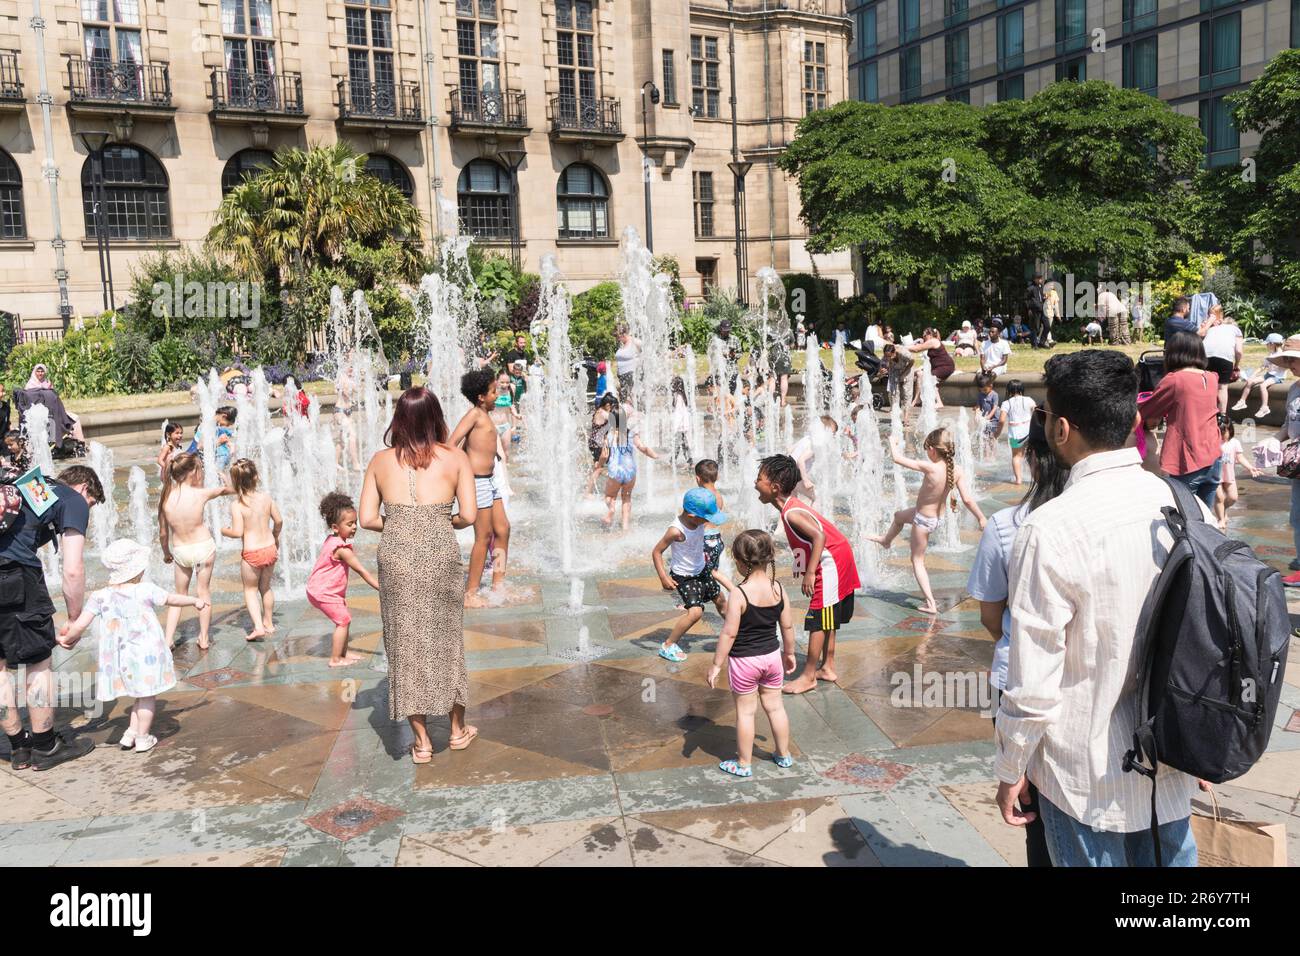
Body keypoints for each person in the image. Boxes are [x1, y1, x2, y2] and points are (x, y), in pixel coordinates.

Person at [995, 349, 1204, 867]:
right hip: (1170, 761)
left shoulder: (1048, 529)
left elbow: (1033, 681)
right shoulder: (1182, 504)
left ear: (1060, 429)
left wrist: (1011, 765)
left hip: (1081, 776)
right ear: (1134, 419)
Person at [966, 407, 1068, 867]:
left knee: (1034, 815)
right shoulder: (1134, 512)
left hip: (1018, 682)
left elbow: (991, 616)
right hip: (1096, 685)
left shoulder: (1006, 526)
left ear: (1030, 456)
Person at [359, 386, 479, 762]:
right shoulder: (455, 458)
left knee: (404, 641)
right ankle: (458, 730)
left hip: (395, 554)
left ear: (399, 419)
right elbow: (470, 517)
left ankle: (422, 742)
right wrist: (440, 521)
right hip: (440, 550)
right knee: (447, 636)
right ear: (436, 417)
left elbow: (365, 519)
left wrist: (401, 524)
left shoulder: (380, 461)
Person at [0, 464, 103, 770]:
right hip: (16, 576)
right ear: (85, 488)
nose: (89, 511)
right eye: (93, 504)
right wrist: (75, 618)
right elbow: (73, 569)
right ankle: (46, 747)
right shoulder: (72, 499)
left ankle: (19, 747)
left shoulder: (26, 488)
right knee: (38, 661)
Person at [56, 539, 201, 754]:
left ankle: (130, 733)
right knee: (147, 698)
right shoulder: (144, 590)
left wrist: (67, 638)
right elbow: (171, 599)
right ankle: (143, 738)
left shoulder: (100, 596)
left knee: (139, 696)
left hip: (122, 659)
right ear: (136, 570)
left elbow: (80, 624)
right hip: (146, 656)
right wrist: (194, 601)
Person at [755, 454, 860, 695]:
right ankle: (828, 667)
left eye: (758, 479)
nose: (754, 483)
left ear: (774, 487)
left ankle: (809, 675)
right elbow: (809, 541)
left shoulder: (791, 512)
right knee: (828, 614)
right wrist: (802, 562)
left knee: (819, 617)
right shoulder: (791, 506)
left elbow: (819, 537)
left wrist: (810, 572)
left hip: (831, 561)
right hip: (838, 555)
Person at [707, 529, 796, 778]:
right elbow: (787, 626)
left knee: (746, 712)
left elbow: (729, 633)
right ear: (770, 558)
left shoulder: (740, 593)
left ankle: (744, 763)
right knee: (775, 708)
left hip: (744, 661)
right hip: (771, 657)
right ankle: (783, 754)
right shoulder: (778, 588)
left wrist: (716, 664)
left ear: (740, 561)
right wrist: (789, 653)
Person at [869, 428, 987, 615]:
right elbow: (968, 500)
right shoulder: (956, 470)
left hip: (923, 521)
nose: (926, 453)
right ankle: (886, 540)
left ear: (932, 449)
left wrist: (892, 442)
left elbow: (897, 459)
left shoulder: (930, 467)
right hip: (931, 517)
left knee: (917, 561)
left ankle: (930, 603)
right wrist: (981, 517)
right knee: (899, 516)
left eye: (927, 449)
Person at [450, 369, 511, 607]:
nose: (497, 395)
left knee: (503, 529)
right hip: (477, 481)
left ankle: (498, 583)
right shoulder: (474, 415)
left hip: (490, 480)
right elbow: (451, 443)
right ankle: (470, 593)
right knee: (484, 536)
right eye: (493, 392)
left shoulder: (484, 415)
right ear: (480, 397)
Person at [1139, 332, 1222, 508]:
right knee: (1205, 520)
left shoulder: (1175, 380)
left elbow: (1146, 412)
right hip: (1214, 458)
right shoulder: (1212, 377)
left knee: (1185, 520)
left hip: (1188, 461)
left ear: (1172, 354)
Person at [159, 452, 231, 651]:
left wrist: (166, 553)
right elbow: (232, 490)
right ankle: (204, 638)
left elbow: (163, 534)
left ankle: (168, 639)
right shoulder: (200, 493)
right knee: (203, 592)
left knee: (178, 595)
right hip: (204, 548)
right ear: (191, 472)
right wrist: (225, 477)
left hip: (181, 550)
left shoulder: (166, 498)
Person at [650, 489, 730, 663]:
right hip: (684, 576)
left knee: (722, 602)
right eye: (705, 517)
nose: (708, 521)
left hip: (701, 570)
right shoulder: (675, 531)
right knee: (695, 613)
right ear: (692, 515)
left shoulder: (698, 521)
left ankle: (738, 632)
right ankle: (668, 645)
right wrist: (663, 577)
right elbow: (657, 552)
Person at [306, 492, 379, 667]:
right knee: (343, 620)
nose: (354, 527)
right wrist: (381, 587)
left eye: (355, 523)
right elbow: (362, 571)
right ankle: (336, 659)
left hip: (323, 590)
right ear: (335, 527)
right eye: (349, 524)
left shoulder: (333, 539)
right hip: (323, 592)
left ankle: (343, 652)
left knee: (344, 618)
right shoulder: (342, 548)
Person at [221, 458, 282, 641]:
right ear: (256, 477)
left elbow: (238, 531)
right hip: (269, 548)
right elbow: (279, 521)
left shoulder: (237, 505)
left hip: (252, 553)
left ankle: (258, 627)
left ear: (235, 482)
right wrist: (275, 537)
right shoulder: (266, 497)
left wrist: (224, 531)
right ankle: (269, 623)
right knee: (266, 587)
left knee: (250, 590)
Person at [602, 399, 658, 530]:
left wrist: (599, 465)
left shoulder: (609, 435)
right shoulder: (632, 433)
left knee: (610, 496)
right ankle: (625, 527)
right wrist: (654, 455)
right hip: (630, 471)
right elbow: (643, 448)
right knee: (626, 499)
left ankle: (610, 511)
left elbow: (604, 455)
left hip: (615, 471)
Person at [1214, 414, 1257, 532]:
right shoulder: (1213, 442)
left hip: (1229, 475)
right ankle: (1220, 519)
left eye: (1224, 432)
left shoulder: (1234, 443)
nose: (1222, 435)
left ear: (1230, 430)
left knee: (1233, 497)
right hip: (1215, 475)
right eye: (1219, 432)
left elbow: (1240, 457)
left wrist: (1250, 467)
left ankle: (1223, 509)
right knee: (1219, 497)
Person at [1233, 332, 1287, 416]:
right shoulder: (1271, 354)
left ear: (1272, 344)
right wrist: (1253, 375)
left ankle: (1264, 407)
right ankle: (1242, 401)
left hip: (1277, 377)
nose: (1266, 346)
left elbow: (1286, 367)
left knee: (1263, 386)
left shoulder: (1282, 355)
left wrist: (1279, 362)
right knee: (1250, 381)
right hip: (1268, 375)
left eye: (1267, 344)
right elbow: (1262, 367)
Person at [1201, 306, 1242, 413]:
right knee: (1222, 388)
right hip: (1224, 357)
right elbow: (1239, 351)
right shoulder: (1235, 330)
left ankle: (1206, 413)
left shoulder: (1211, 329)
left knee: (1208, 386)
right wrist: (1236, 365)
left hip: (1205, 357)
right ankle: (1222, 417)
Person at [998, 380, 1036, 485]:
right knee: (1032, 455)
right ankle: (1035, 477)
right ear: (1022, 390)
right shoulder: (1029, 400)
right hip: (1029, 432)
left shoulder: (1006, 403)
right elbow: (1036, 412)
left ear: (1009, 391)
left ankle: (1018, 480)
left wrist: (997, 433)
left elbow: (1001, 420)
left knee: (1016, 456)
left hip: (1015, 434)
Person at [694, 459, 726, 577]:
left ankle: (722, 591)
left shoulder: (699, 496)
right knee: (712, 571)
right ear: (716, 477)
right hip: (716, 539)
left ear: (697, 478)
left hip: (704, 539)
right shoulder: (718, 496)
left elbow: (695, 521)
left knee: (704, 574)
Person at [909, 327, 954, 408]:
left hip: (945, 367)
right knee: (920, 374)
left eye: (924, 336)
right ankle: (918, 399)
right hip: (938, 367)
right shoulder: (932, 341)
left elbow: (917, 349)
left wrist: (901, 347)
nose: (923, 337)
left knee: (929, 378)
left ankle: (939, 403)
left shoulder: (933, 341)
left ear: (929, 335)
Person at [587, 392, 617, 494]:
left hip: (594, 443)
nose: (613, 408)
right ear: (608, 405)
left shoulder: (598, 411)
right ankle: (588, 492)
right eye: (613, 406)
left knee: (598, 467)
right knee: (599, 469)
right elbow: (617, 420)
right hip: (597, 445)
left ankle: (590, 489)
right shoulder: (603, 413)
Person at [669, 376, 693, 468]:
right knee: (683, 443)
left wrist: (674, 428)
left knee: (677, 444)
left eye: (672, 384)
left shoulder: (678, 397)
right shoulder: (682, 395)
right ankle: (689, 461)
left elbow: (679, 414)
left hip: (680, 426)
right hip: (683, 425)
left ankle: (673, 461)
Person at [614, 324, 642, 399]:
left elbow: (647, 354)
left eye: (617, 336)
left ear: (624, 334)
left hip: (632, 377)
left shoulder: (635, 342)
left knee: (632, 400)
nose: (617, 339)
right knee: (624, 401)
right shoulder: (622, 345)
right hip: (622, 378)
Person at [976, 372, 1000, 439]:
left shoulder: (994, 395)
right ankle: (986, 447)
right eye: (981, 390)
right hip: (985, 418)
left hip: (994, 419)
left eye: (985, 390)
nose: (983, 391)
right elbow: (978, 406)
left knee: (991, 434)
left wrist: (989, 416)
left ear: (991, 386)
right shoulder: (980, 395)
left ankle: (993, 447)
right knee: (984, 434)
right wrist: (977, 414)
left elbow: (995, 408)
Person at [1025, 275, 1046, 347]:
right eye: (1039, 278)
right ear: (1035, 279)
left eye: (1041, 278)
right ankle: (1034, 344)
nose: (1040, 280)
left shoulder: (1042, 287)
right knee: (1035, 327)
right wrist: (1029, 309)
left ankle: (1042, 342)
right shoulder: (1030, 288)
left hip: (1043, 309)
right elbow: (1026, 300)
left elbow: (1042, 297)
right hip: (1035, 310)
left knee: (1047, 326)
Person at [1042, 282, 1061, 347]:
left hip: (1050, 312)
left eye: (1053, 285)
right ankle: (1049, 341)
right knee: (1046, 327)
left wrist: (1058, 314)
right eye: (1050, 284)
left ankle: (1041, 341)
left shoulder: (1054, 293)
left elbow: (1056, 305)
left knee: (1046, 327)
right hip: (1043, 311)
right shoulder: (1043, 291)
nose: (1052, 286)